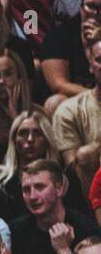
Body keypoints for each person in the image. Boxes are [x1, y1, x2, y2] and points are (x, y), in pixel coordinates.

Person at [11, 157, 95, 254]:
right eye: (26, 190)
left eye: (40, 187)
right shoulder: (15, 231)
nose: (32, 196)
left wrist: (64, 250)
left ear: (59, 189)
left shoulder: (86, 229)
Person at [53, 34, 101, 195]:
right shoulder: (70, 110)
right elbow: (74, 167)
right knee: (86, 155)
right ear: (91, 66)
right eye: (99, 60)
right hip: (94, 187)